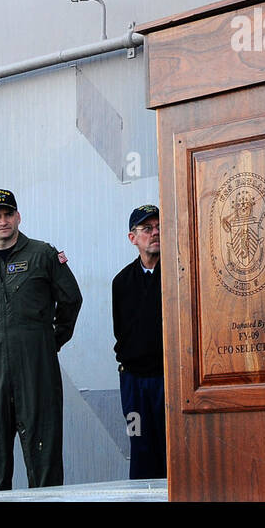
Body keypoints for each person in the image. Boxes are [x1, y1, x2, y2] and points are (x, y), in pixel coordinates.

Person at [0, 189, 83, 491]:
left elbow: (71, 300)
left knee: (43, 449)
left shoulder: (43, 255)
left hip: (36, 365)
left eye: (8, 214)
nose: (3, 221)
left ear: (18, 217)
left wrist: (50, 341)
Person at [111, 204, 166, 479]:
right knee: (141, 449)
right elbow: (122, 333)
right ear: (133, 238)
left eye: (158, 227)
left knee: (174, 450)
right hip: (134, 385)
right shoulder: (121, 282)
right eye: (147, 229)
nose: (155, 233)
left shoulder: (178, 274)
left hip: (168, 380)